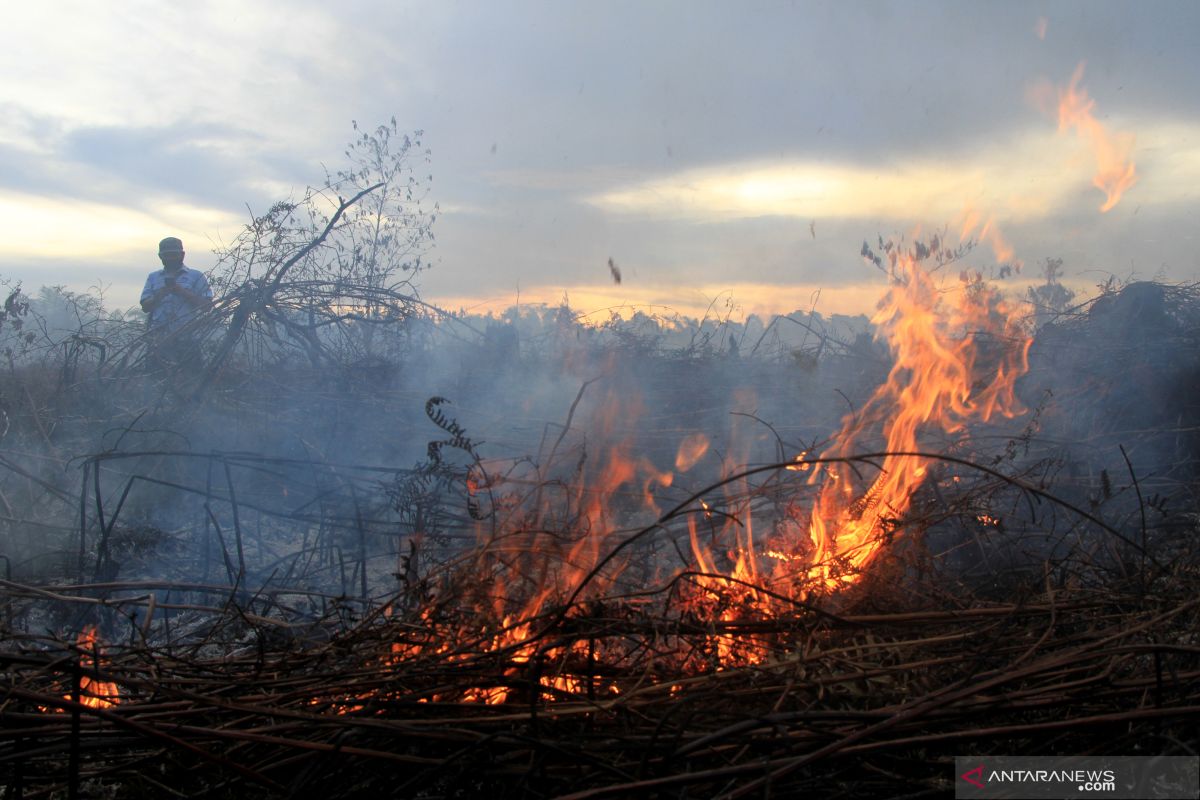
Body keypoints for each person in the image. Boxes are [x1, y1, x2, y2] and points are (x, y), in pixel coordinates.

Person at [140, 237, 213, 371]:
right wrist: (162, 292)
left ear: (182, 255)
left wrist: (181, 291)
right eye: (167, 255)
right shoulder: (153, 277)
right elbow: (145, 307)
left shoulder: (196, 276)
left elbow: (207, 306)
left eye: (174, 255)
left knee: (190, 379)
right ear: (160, 257)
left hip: (188, 338)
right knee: (155, 380)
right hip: (159, 340)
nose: (171, 259)